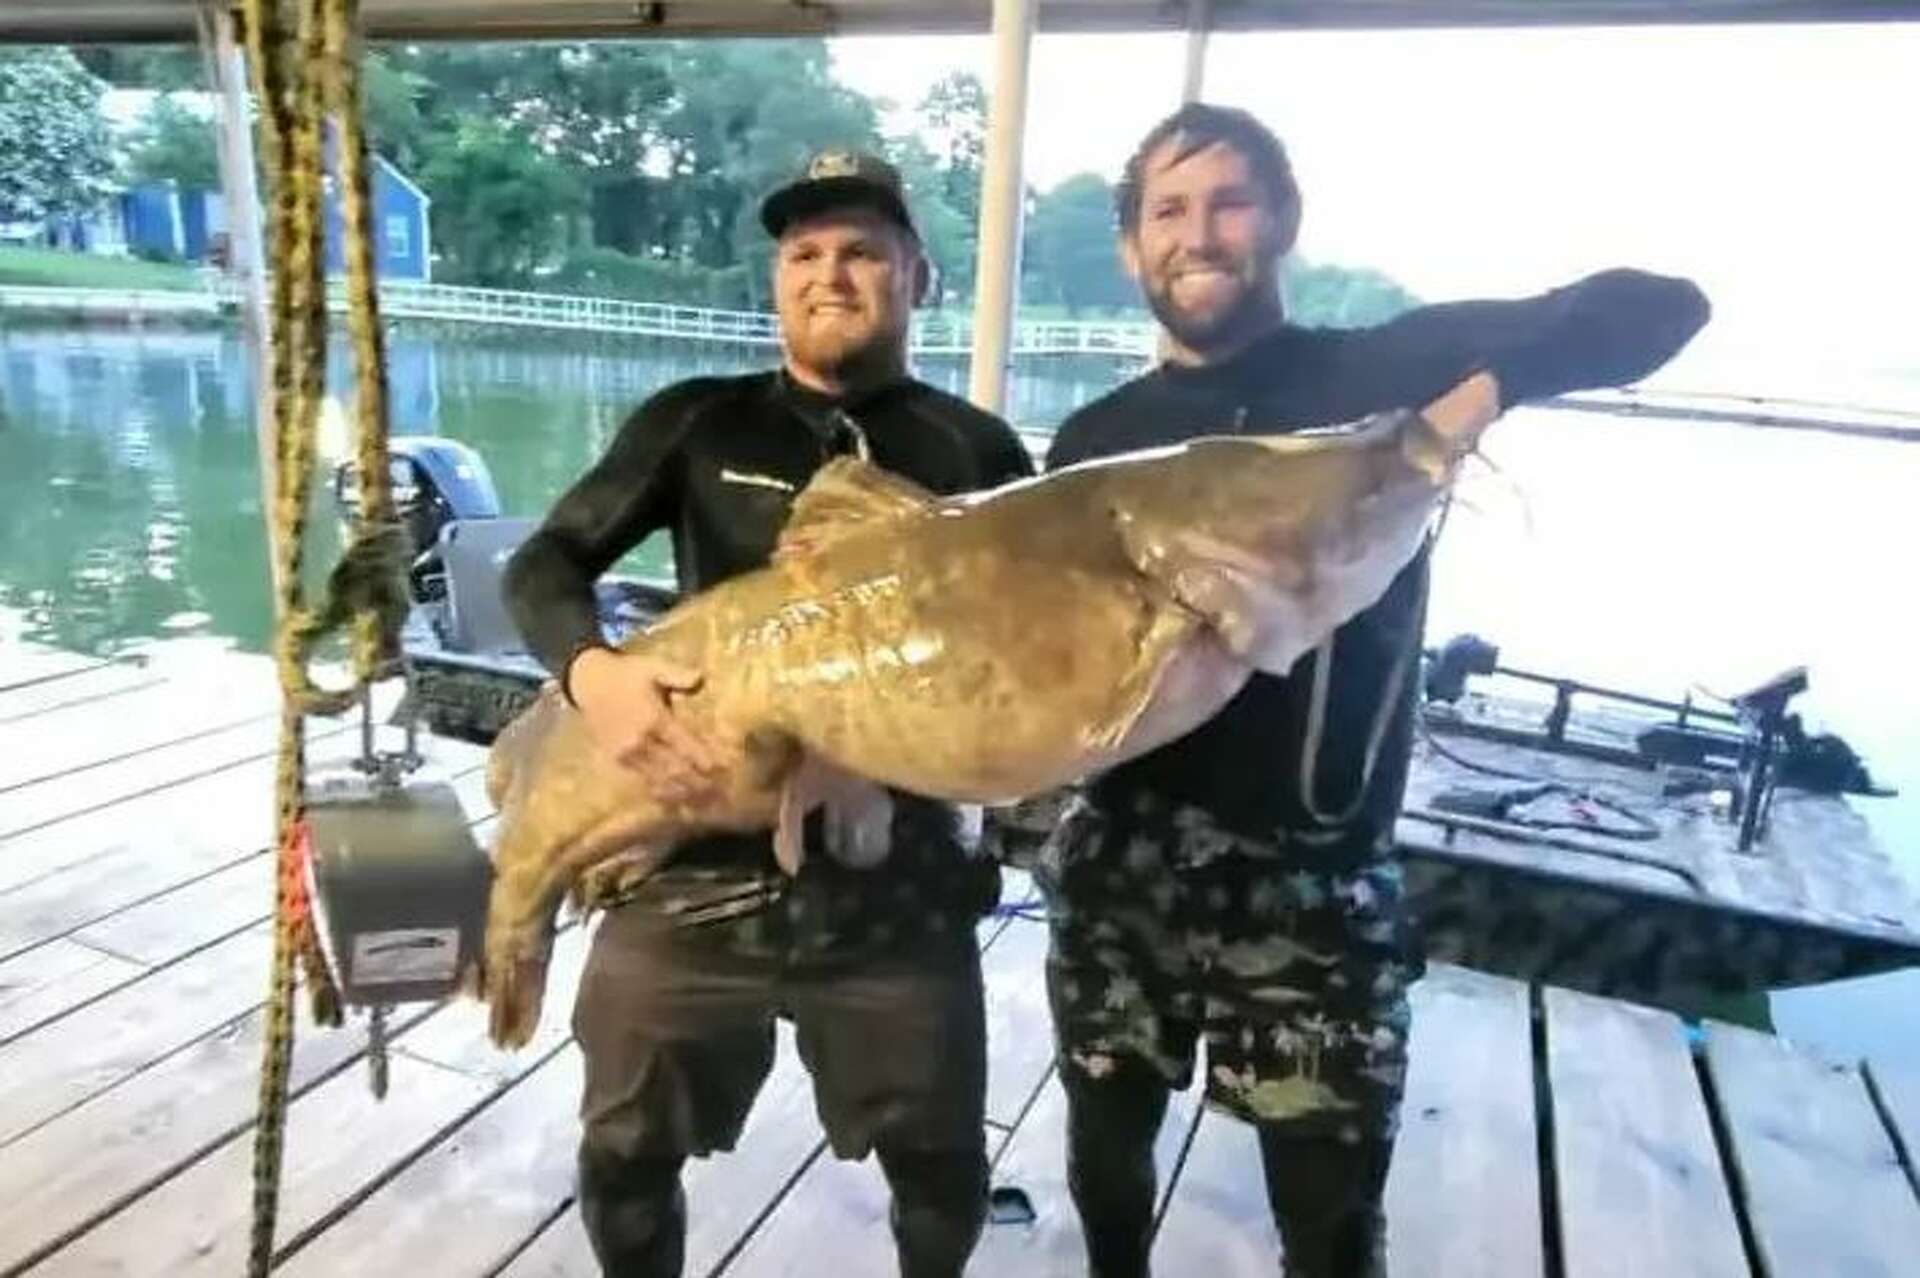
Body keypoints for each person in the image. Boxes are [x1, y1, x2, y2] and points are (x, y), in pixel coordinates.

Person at [1037, 103, 1710, 1278]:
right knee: (1104, 1157)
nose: (1200, 234)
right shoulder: (1095, 439)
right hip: (1121, 864)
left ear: (1283, 219)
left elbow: (1659, 309)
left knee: (1330, 1214)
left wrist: (1479, 397)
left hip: (1317, 882)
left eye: (1230, 201)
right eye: (1169, 211)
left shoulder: (1381, 374)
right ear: (1134, 246)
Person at [502, 150, 1035, 1278]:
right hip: (689, 857)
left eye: (862, 252)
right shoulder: (697, 421)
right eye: (804, 254)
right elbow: (545, 564)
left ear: (917, 276)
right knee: (623, 1152)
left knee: (942, 1166)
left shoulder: (978, 451)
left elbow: (1012, 654)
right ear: (777, 279)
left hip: (899, 877)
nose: (828, 274)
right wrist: (594, 676)